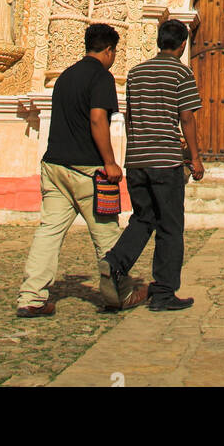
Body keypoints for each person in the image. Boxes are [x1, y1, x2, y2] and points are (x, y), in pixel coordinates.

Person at [16, 23, 145, 317]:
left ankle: (31, 297)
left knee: (49, 232)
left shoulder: (64, 77)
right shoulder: (102, 77)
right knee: (107, 234)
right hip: (87, 169)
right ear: (109, 50)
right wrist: (110, 162)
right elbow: (98, 119)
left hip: (54, 165)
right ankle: (118, 294)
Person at [100, 19, 204, 313]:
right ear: (183, 44)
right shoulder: (181, 73)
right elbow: (187, 117)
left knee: (143, 219)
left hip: (137, 161)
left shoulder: (135, 73)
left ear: (159, 40)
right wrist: (194, 157)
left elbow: (130, 116)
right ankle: (163, 293)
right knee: (171, 227)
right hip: (166, 160)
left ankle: (115, 262)